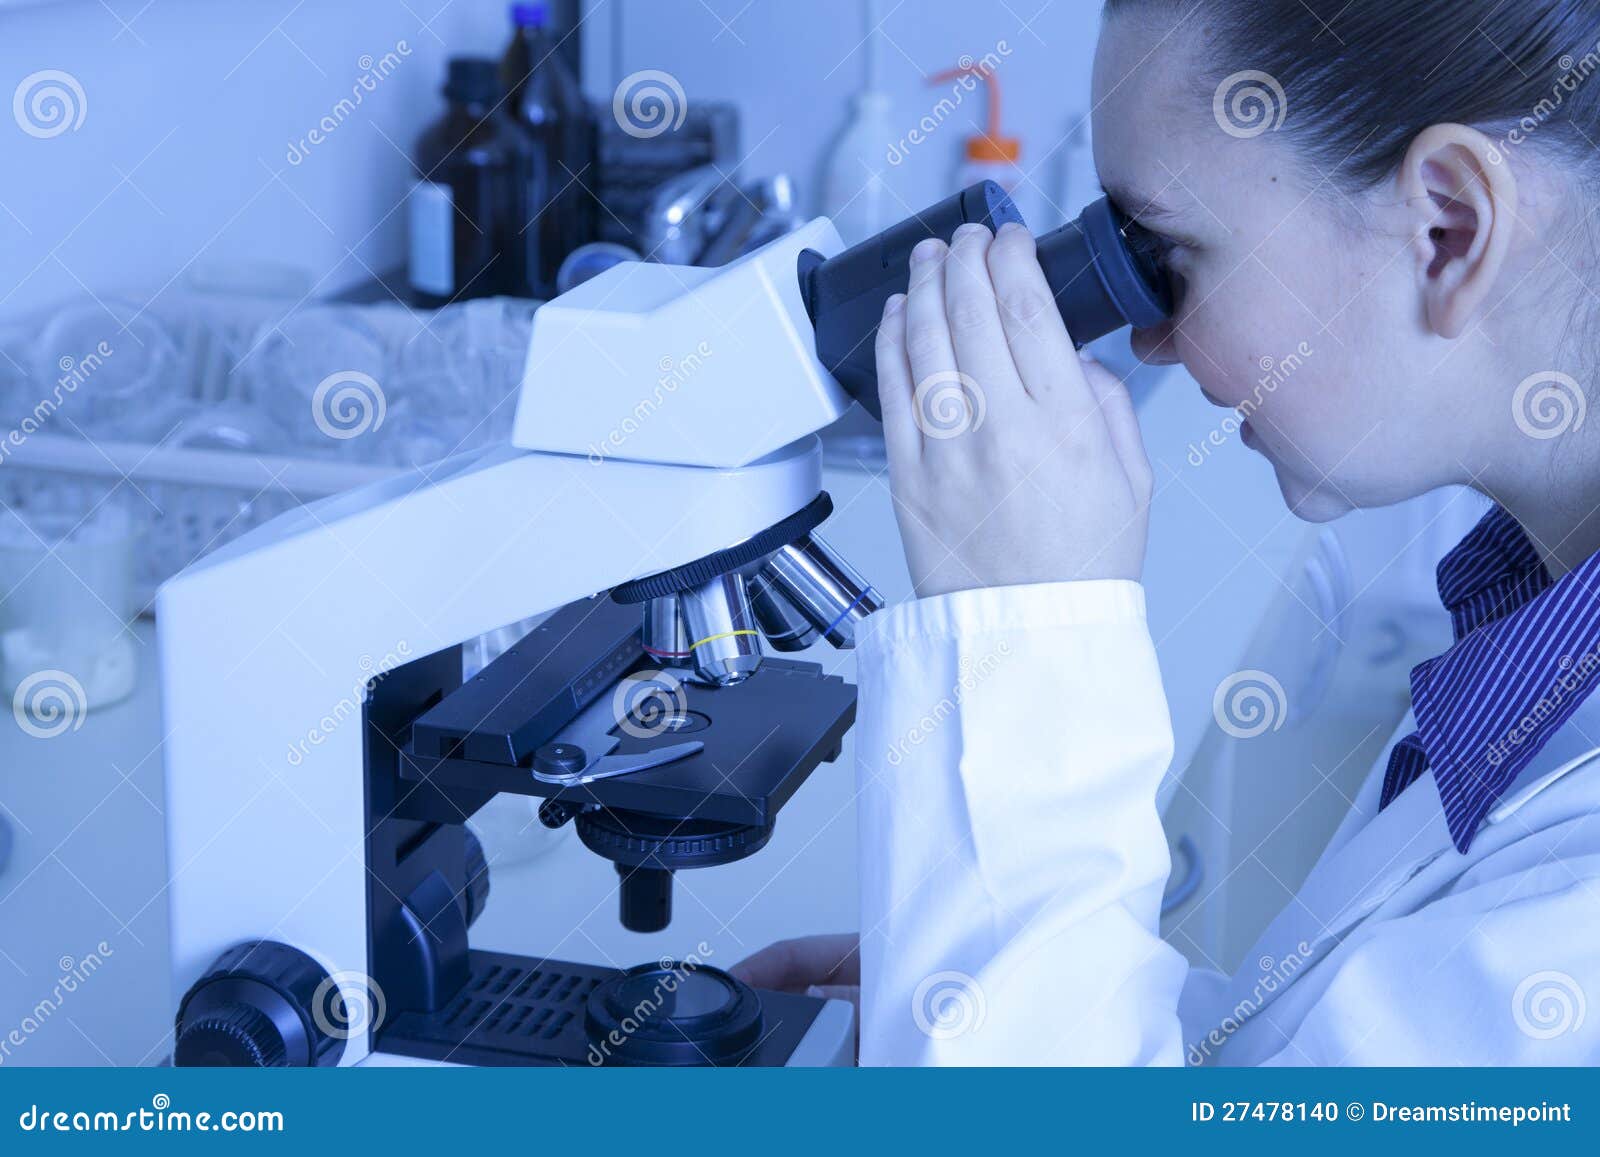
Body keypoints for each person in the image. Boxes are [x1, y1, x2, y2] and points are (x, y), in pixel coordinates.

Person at [735, 0, 1600, 1064]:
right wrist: (1017, 978)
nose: (1144, 338)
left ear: (1447, 230)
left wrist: (1028, 624)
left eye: (1169, 253)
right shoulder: (1533, 625)